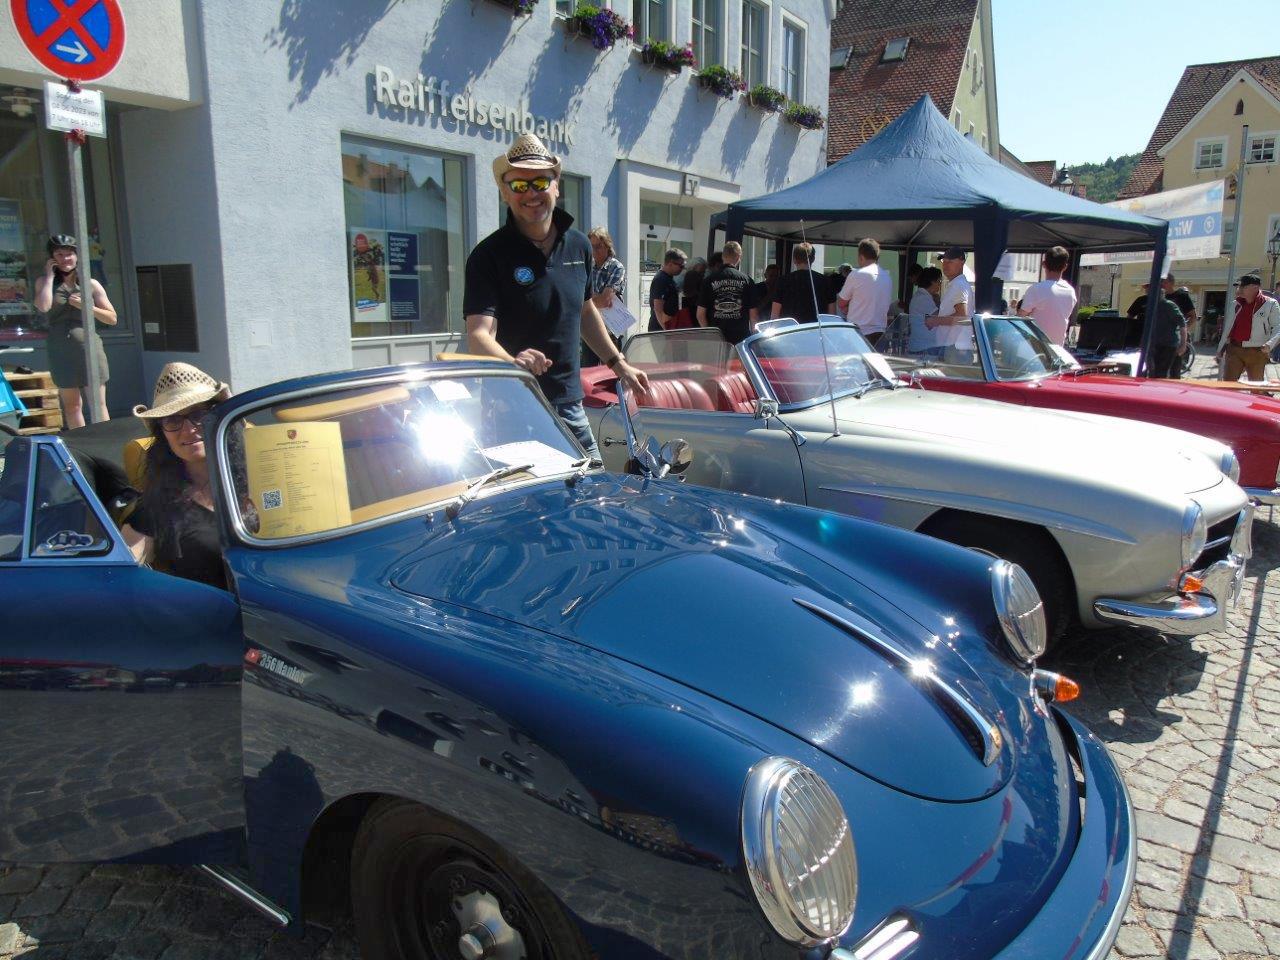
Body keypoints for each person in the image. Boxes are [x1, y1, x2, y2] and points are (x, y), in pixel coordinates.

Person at [463, 134, 648, 457]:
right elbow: (479, 335)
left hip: (568, 401)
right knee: (524, 504)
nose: (531, 193)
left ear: (556, 186)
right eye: (519, 185)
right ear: (505, 192)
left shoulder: (578, 245)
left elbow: (585, 312)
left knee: (590, 493)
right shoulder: (489, 255)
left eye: (540, 182)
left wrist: (619, 364)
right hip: (511, 407)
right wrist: (513, 363)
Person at [121, 363, 236, 591]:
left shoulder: (263, 474)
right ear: (162, 434)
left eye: (200, 415)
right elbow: (122, 572)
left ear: (220, 419)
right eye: (173, 420)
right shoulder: (157, 505)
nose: (188, 430)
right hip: (210, 619)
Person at [32, 234, 118, 428]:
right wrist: (49, 277)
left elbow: (112, 318)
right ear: (52, 257)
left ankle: (104, 442)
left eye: (69, 254)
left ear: (77, 256)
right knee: (72, 405)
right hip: (60, 348)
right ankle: (81, 444)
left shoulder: (91, 283)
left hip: (88, 347)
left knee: (98, 403)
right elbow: (43, 306)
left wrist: (87, 306)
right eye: (59, 254)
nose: (65, 259)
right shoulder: (44, 282)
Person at [1217, 273, 1280, 381]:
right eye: (1238, 286)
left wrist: (1270, 344)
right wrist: (1220, 348)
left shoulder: (1270, 304)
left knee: (1256, 386)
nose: (1239, 289)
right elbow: (1228, 328)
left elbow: (1277, 327)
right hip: (1234, 349)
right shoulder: (1236, 304)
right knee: (1228, 384)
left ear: (1255, 287)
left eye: (1243, 286)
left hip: (1257, 351)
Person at [582, 227, 626, 367]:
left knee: (613, 371)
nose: (594, 251)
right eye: (591, 247)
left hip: (611, 328)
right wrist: (592, 299)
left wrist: (588, 300)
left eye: (598, 246)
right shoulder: (588, 267)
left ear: (607, 246)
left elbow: (605, 301)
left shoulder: (616, 267)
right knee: (589, 370)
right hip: (591, 326)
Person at [837, 238, 894, 347]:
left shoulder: (856, 275)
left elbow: (841, 302)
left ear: (861, 256)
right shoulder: (887, 277)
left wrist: (848, 308)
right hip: (880, 334)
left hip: (858, 333)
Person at [697, 241, 756, 344]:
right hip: (740, 339)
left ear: (723, 256)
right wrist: (753, 339)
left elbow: (700, 314)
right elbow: (753, 316)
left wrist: (710, 335)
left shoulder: (709, 280)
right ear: (738, 257)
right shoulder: (747, 280)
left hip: (717, 338)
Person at [1017, 246, 1078, 345]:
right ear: (1065, 267)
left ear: (1043, 264)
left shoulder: (1036, 289)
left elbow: (1020, 317)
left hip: (1035, 348)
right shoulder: (1070, 292)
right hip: (1057, 350)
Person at [772, 243, 833, 323]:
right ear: (813, 259)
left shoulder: (783, 281)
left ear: (794, 259)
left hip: (790, 331)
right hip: (816, 331)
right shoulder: (826, 281)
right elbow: (832, 315)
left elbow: (774, 315)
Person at [926, 248, 973, 353]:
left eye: (950, 261)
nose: (945, 265)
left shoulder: (959, 285)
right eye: (944, 261)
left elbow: (961, 316)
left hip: (955, 348)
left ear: (962, 262)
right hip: (953, 346)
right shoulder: (956, 284)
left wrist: (935, 321)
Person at [648, 248, 686, 331]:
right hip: (660, 330)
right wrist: (667, 330)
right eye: (681, 266)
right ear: (670, 263)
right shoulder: (661, 279)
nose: (682, 269)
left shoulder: (668, 278)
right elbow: (658, 309)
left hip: (668, 326)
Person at [908, 266, 943, 354]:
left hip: (925, 346)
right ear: (932, 281)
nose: (940, 284)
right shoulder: (923, 298)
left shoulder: (924, 296)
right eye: (939, 281)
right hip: (924, 348)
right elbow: (939, 318)